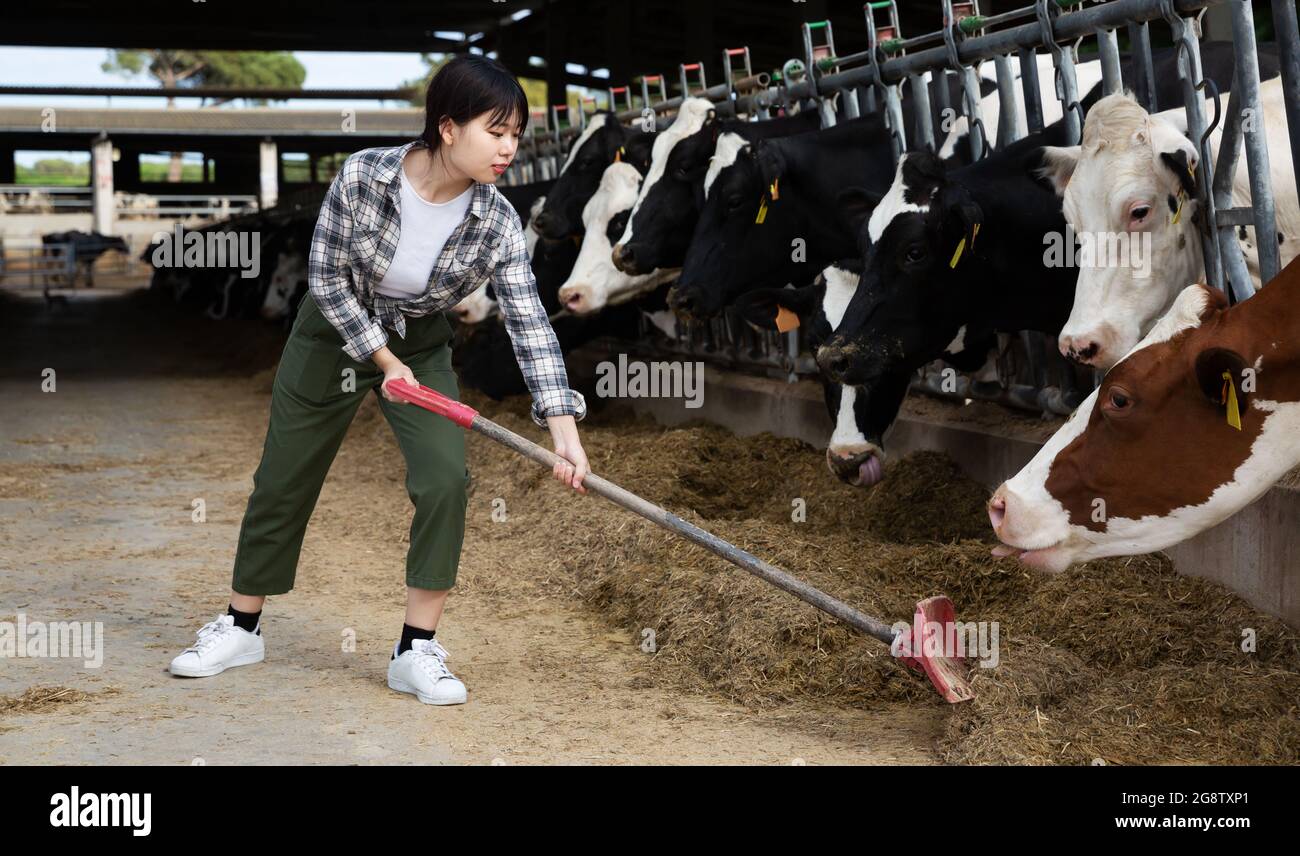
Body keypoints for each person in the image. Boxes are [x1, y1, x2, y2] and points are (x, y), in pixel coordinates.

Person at [169, 55, 590, 706]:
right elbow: (328, 278)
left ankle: (415, 650)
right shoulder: (366, 175)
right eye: (496, 131)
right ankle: (241, 626)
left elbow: (530, 320)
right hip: (333, 330)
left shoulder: (500, 219)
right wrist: (380, 361)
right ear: (448, 129)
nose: (509, 148)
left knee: (446, 477)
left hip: (421, 342)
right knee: (284, 476)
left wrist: (563, 428)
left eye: (515, 135)